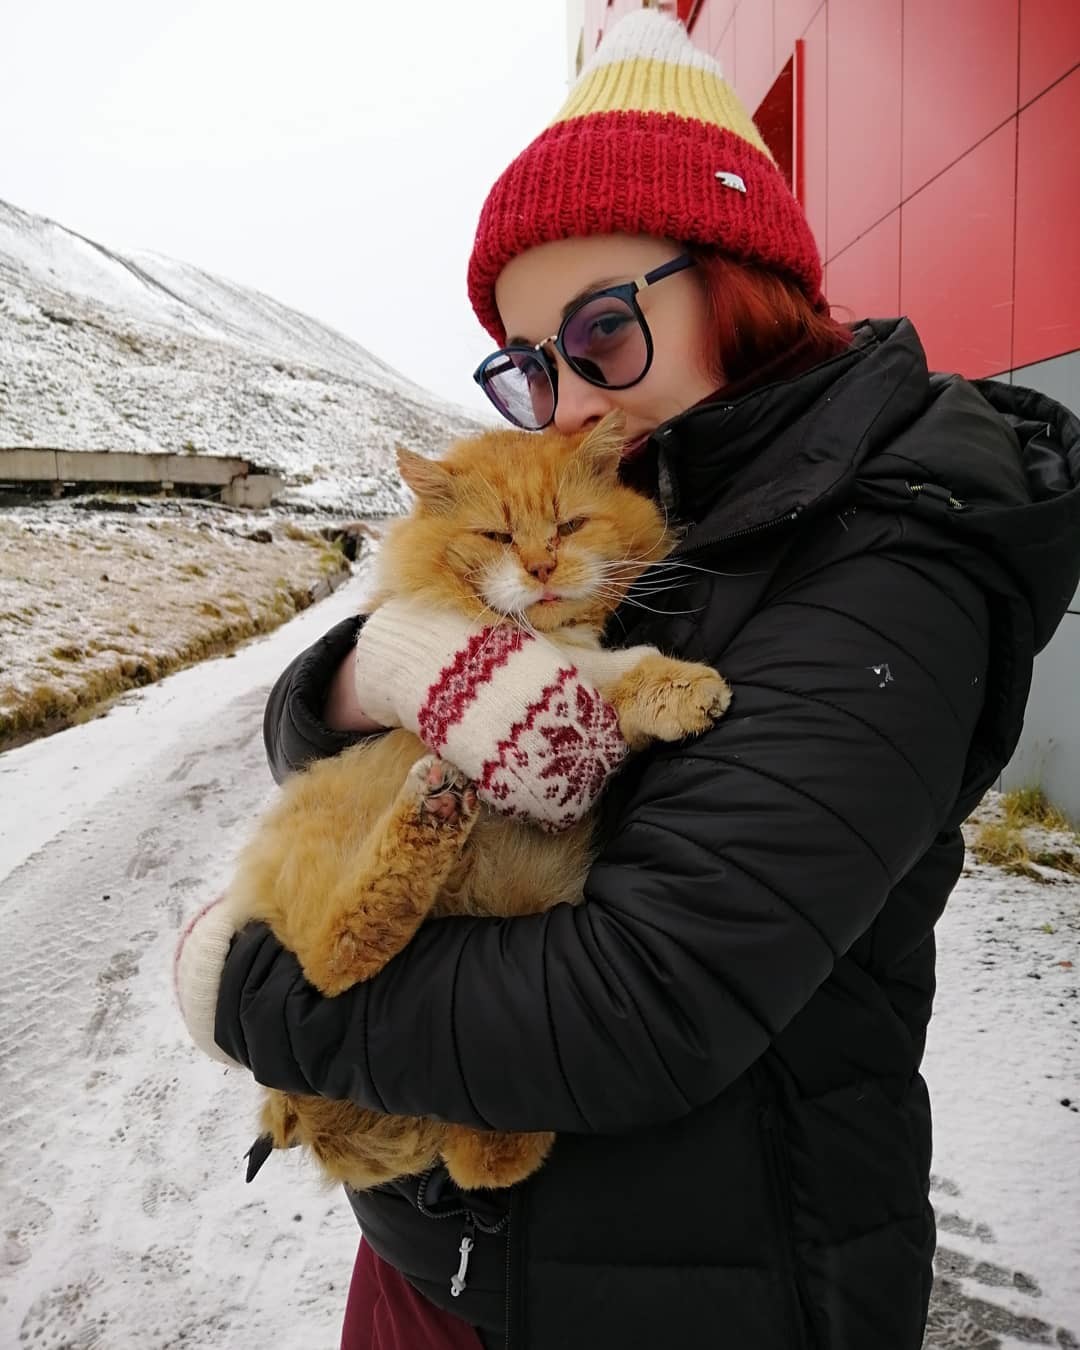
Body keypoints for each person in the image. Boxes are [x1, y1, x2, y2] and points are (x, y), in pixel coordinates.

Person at [179, 11, 1080, 1349]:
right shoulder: (651, 493)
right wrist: (360, 678)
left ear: (737, 278)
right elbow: (351, 721)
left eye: (600, 331)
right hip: (452, 1269)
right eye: (528, 364)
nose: (567, 403)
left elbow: (637, 1002)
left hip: (686, 1300)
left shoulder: (893, 546)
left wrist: (249, 986)